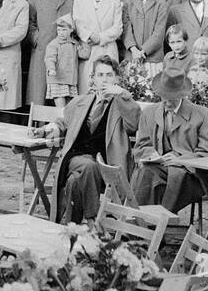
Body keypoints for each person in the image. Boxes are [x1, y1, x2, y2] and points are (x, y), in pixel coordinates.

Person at [44, 55, 142, 223]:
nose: (104, 80)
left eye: (109, 75)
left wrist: (123, 95)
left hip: (106, 164)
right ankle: (92, 221)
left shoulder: (121, 105)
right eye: (100, 75)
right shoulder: (81, 101)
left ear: (117, 78)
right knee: (88, 166)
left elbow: (134, 124)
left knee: (75, 181)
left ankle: (71, 226)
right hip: (75, 158)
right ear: (93, 78)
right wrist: (53, 127)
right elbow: (64, 122)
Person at [130, 66, 208, 215]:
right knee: (145, 172)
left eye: (172, 98)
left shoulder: (202, 115)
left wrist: (181, 159)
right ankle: (143, 224)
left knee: (160, 177)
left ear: (183, 95)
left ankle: (152, 225)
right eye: (164, 97)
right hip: (158, 168)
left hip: (189, 175)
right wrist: (154, 156)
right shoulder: (149, 113)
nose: (167, 102)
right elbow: (141, 146)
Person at [123, 0, 168, 74]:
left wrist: (143, 51)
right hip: (132, 55)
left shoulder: (161, 4)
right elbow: (127, 29)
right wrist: (133, 49)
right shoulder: (129, 3)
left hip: (153, 58)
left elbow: (159, 32)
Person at [43, 14, 79, 110]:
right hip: (57, 80)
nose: (61, 33)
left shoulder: (74, 43)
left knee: (69, 108)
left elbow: (84, 54)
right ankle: (61, 123)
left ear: (71, 30)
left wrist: (85, 43)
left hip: (70, 80)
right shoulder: (54, 44)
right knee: (61, 108)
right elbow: (49, 58)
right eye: (59, 30)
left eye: (64, 30)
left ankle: (66, 124)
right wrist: (51, 69)